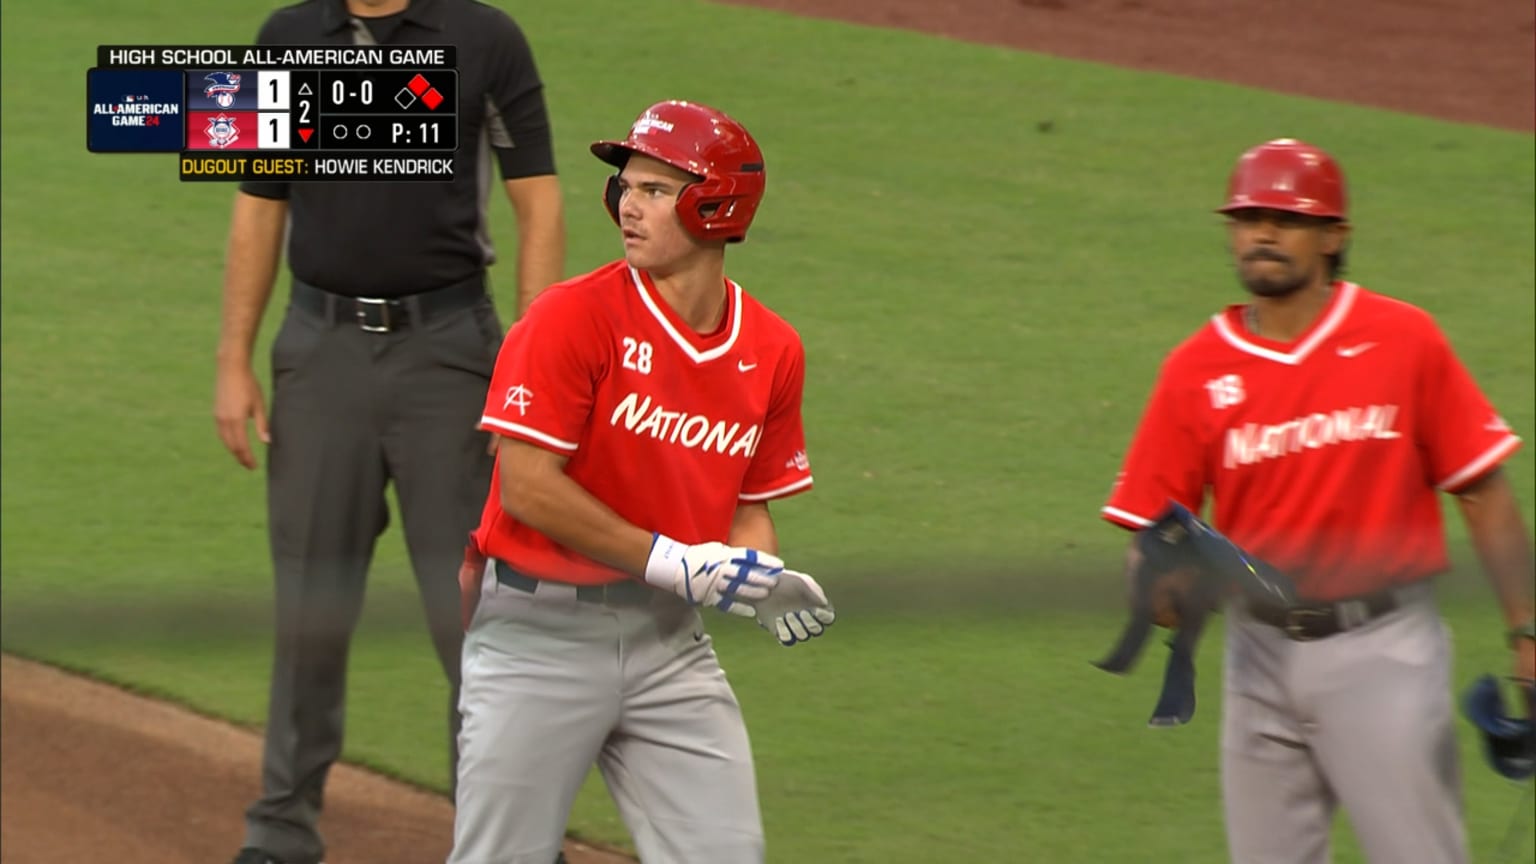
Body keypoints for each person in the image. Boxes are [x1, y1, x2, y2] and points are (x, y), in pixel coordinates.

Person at [1101, 138, 1535, 864]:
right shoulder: (1194, 370)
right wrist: (1158, 586)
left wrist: (1528, 633)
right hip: (1256, 658)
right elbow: (1149, 545)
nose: (1262, 233)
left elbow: (1483, 492)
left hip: (1383, 653)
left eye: (1286, 217)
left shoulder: (1404, 340)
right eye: (1247, 217)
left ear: (1335, 237)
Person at [211, 1, 566, 861]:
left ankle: (506, 842)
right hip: (318, 350)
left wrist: (528, 383)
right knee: (310, 608)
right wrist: (233, 357)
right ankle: (281, 832)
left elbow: (540, 206)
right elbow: (258, 204)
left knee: (474, 619)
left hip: (450, 355)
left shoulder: (485, 39)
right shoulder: (285, 37)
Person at [448, 99, 836, 864]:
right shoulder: (570, 319)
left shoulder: (772, 349)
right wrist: (674, 562)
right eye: (626, 186)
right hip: (540, 637)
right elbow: (527, 486)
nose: (628, 203)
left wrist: (756, 575)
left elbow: (744, 506)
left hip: (669, 644)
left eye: (656, 189)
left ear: (716, 203)